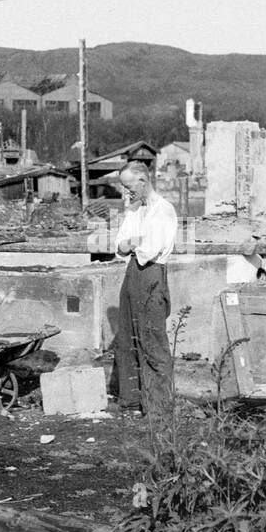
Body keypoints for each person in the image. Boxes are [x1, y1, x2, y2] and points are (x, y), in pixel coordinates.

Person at [110, 160, 178, 416]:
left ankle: (159, 407)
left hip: (150, 276)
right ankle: (132, 402)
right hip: (132, 275)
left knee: (152, 341)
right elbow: (118, 247)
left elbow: (147, 252)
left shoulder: (163, 210)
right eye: (124, 188)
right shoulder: (137, 211)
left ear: (143, 180)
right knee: (128, 337)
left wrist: (132, 243)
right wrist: (131, 239)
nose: (127, 192)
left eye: (129, 187)